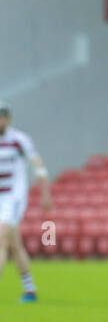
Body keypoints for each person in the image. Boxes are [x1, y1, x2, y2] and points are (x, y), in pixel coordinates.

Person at [0, 102, 53, 303]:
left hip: (13, 197)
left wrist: (45, 193)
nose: (0, 120)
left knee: (1, 237)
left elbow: (38, 165)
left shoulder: (19, 140)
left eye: (3, 116)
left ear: (9, 119)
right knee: (14, 245)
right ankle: (30, 290)